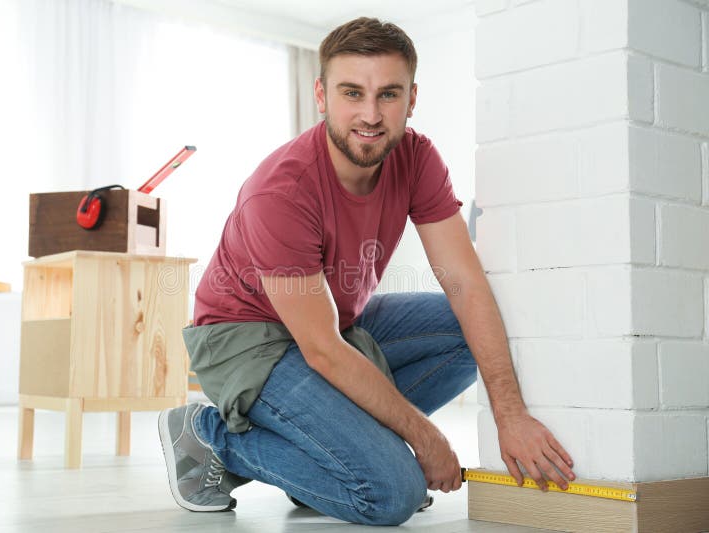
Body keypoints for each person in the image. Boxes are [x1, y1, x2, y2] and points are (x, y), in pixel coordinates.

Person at [158, 16, 575, 526]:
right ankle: (211, 438)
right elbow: (322, 350)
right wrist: (427, 438)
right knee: (391, 493)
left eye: (389, 95)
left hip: (337, 324)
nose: (371, 115)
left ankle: (326, 461)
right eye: (352, 92)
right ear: (321, 94)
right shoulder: (281, 192)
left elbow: (466, 286)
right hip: (248, 340)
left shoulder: (417, 159)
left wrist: (511, 416)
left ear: (413, 99)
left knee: (466, 328)